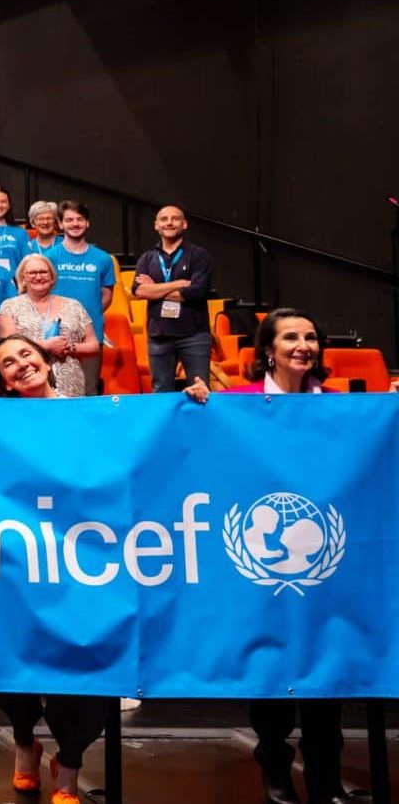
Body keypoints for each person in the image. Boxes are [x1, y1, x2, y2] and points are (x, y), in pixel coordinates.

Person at [180, 309, 347, 804]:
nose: (304, 345)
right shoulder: (235, 406)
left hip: (325, 563)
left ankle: (326, 778)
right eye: (291, 337)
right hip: (257, 563)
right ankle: (274, 771)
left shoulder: (343, 409)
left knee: (327, 668)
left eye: (311, 337)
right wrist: (198, 408)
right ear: (267, 350)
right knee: (272, 671)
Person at [0, 334, 112, 804]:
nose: (21, 365)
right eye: (8, 364)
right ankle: (23, 741)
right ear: (3, 382)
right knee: (11, 668)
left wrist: (190, 403)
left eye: (26, 355)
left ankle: (69, 765)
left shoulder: (91, 414)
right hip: (17, 565)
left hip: (82, 564)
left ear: (46, 360)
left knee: (92, 674)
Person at [133, 205, 213, 393]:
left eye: (175, 218)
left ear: (184, 224)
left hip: (194, 335)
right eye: (164, 219)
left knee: (200, 389)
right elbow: (140, 292)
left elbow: (198, 292)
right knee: (161, 391)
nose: (169, 222)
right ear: (156, 225)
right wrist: (179, 283)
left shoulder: (199, 255)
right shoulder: (147, 258)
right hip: (159, 336)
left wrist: (155, 289)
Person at [0, 253, 100, 398]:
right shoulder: (9, 307)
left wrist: (69, 348)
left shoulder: (74, 305)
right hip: (29, 384)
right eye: (32, 273)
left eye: (43, 272)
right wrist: (46, 346)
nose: (38, 277)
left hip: (70, 382)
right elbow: (7, 349)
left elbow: (94, 345)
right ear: (23, 278)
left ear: (52, 277)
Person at [46, 200, 117, 392]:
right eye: (69, 220)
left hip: (90, 336)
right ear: (60, 224)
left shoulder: (103, 258)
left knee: (89, 389)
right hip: (56, 333)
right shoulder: (50, 256)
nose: (75, 224)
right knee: (56, 389)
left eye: (80, 219)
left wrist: (82, 321)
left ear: (87, 223)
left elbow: (107, 295)